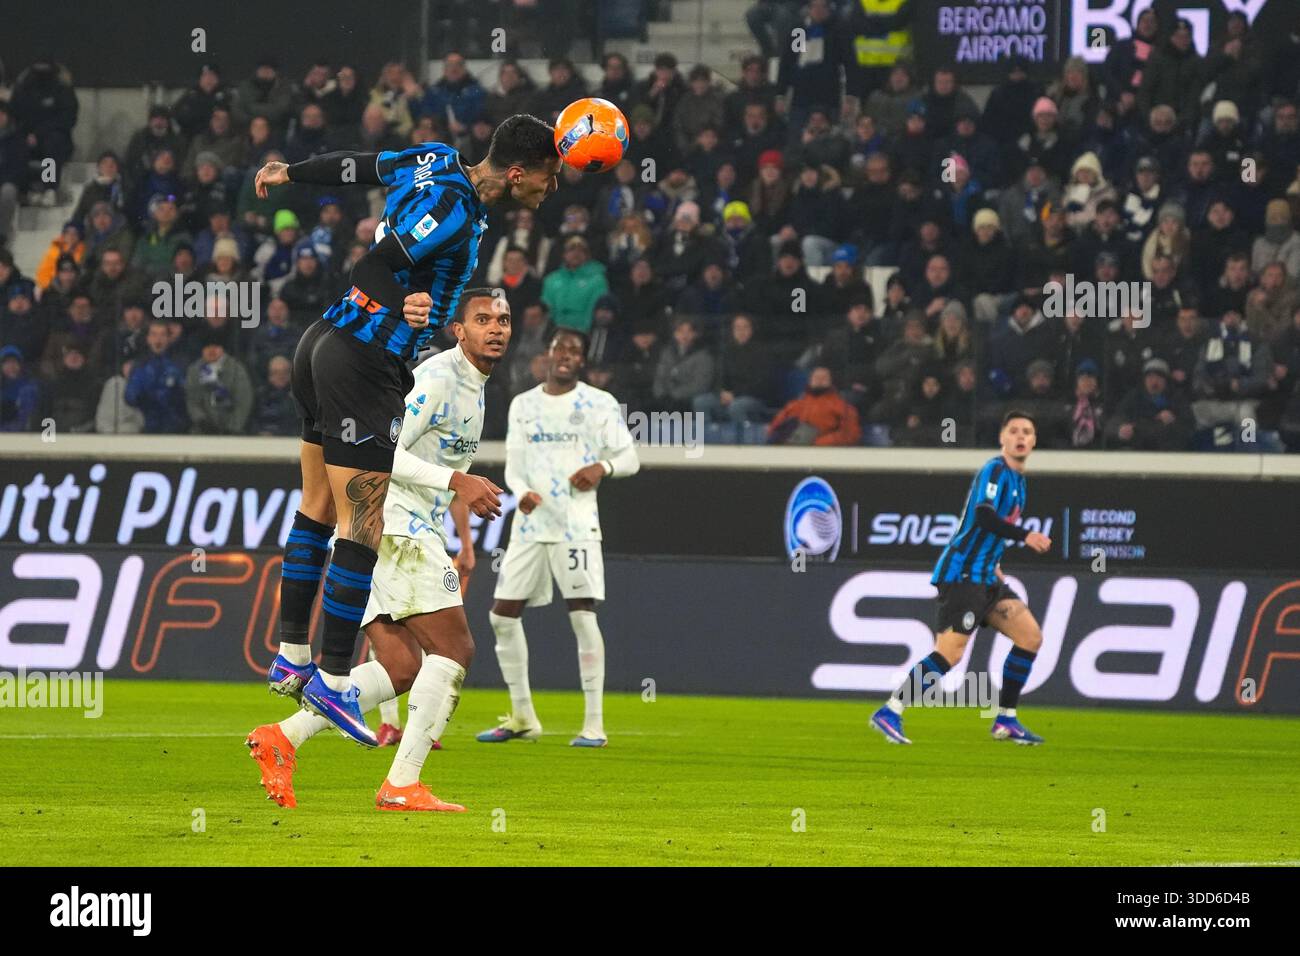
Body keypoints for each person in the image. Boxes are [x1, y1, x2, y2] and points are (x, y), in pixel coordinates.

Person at [251, 113, 561, 747]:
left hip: (323, 342)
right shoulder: (453, 210)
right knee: (360, 521)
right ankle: (334, 680)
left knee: (315, 506)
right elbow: (372, 269)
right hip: (364, 357)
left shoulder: (437, 159)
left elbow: (360, 165)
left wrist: (293, 173)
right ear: (520, 173)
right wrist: (404, 303)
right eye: (549, 180)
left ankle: (290, 653)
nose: (550, 191)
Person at [246, 288, 508, 810]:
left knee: (400, 669)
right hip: (393, 526)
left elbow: (439, 464)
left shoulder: (473, 386)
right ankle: (403, 783)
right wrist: (459, 481)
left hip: (398, 530)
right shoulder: (437, 379)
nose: (496, 328)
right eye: (482, 319)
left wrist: (457, 508)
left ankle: (283, 737)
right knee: (455, 651)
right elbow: (381, 453)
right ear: (458, 330)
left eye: (503, 319)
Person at [478, 327, 641, 748]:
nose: (566, 355)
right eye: (559, 348)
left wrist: (601, 468)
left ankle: (594, 725)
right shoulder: (523, 405)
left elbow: (630, 457)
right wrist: (520, 492)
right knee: (501, 615)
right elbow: (513, 463)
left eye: (575, 350)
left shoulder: (597, 403)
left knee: (582, 616)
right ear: (547, 354)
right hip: (531, 525)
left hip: (576, 526)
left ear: (582, 360)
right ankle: (522, 717)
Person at [871, 411, 1052, 746]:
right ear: (1002, 438)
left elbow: (993, 531)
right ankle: (891, 710)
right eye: (1013, 431)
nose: (1020, 437)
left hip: (987, 576)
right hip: (963, 574)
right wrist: (1025, 535)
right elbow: (983, 516)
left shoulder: (1021, 483)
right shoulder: (994, 470)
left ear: (1034, 440)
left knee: (1030, 637)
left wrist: (996, 563)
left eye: (1027, 431)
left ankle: (1006, 720)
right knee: (950, 654)